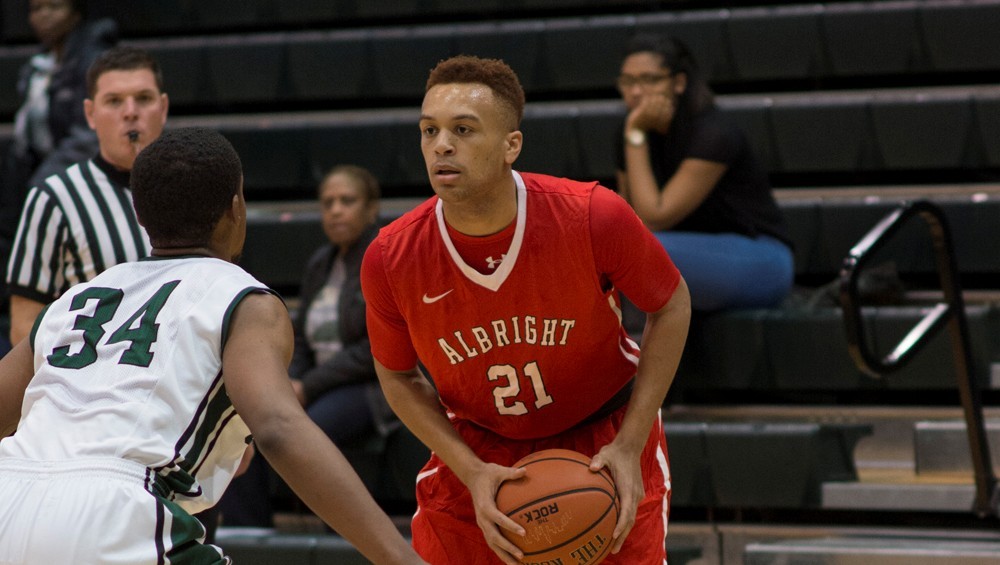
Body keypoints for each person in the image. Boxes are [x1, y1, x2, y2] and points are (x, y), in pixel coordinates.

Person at [0, 127, 427, 565]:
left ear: (140, 215)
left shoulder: (77, 299)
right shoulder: (241, 297)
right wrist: (400, 558)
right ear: (236, 208)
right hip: (117, 516)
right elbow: (279, 429)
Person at [360, 55, 691, 564]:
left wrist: (631, 443)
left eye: (463, 129)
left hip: (604, 437)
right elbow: (398, 377)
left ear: (511, 144)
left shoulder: (592, 216)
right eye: (429, 131)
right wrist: (468, 470)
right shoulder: (390, 257)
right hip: (479, 450)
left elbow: (670, 304)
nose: (441, 145)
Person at [219, 164, 397, 527]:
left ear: (371, 209)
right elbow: (299, 339)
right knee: (243, 429)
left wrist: (306, 386)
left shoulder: (383, 260)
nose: (335, 210)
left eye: (347, 200)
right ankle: (252, 537)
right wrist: (288, 383)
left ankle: (343, 535)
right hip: (319, 383)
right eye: (327, 202)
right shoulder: (320, 263)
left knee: (304, 430)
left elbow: (371, 350)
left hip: (374, 388)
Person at [615, 33, 794, 312]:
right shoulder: (629, 133)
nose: (636, 91)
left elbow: (654, 218)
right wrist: (635, 136)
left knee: (632, 249)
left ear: (679, 83)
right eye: (628, 81)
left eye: (649, 80)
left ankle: (636, 354)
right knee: (613, 247)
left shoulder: (713, 134)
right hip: (680, 254)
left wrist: (635, 136)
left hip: (758, 259)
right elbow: (629, 217)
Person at [5, 45, 166, 345]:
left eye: (143, 99)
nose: (131, 112)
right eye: (114, 101)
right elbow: (25, 324)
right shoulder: (53, 197)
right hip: (95, 386)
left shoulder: (195, 190)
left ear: (164, 108)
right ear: (90, 115)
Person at [0, 0, 117, 354]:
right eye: (36, 8)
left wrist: (41, 186)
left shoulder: (94, 56)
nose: (42, 16)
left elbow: (87, 137)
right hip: (33, 180)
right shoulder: (37, 65)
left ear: (77, 11)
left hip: (74, 184)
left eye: (53, 7)